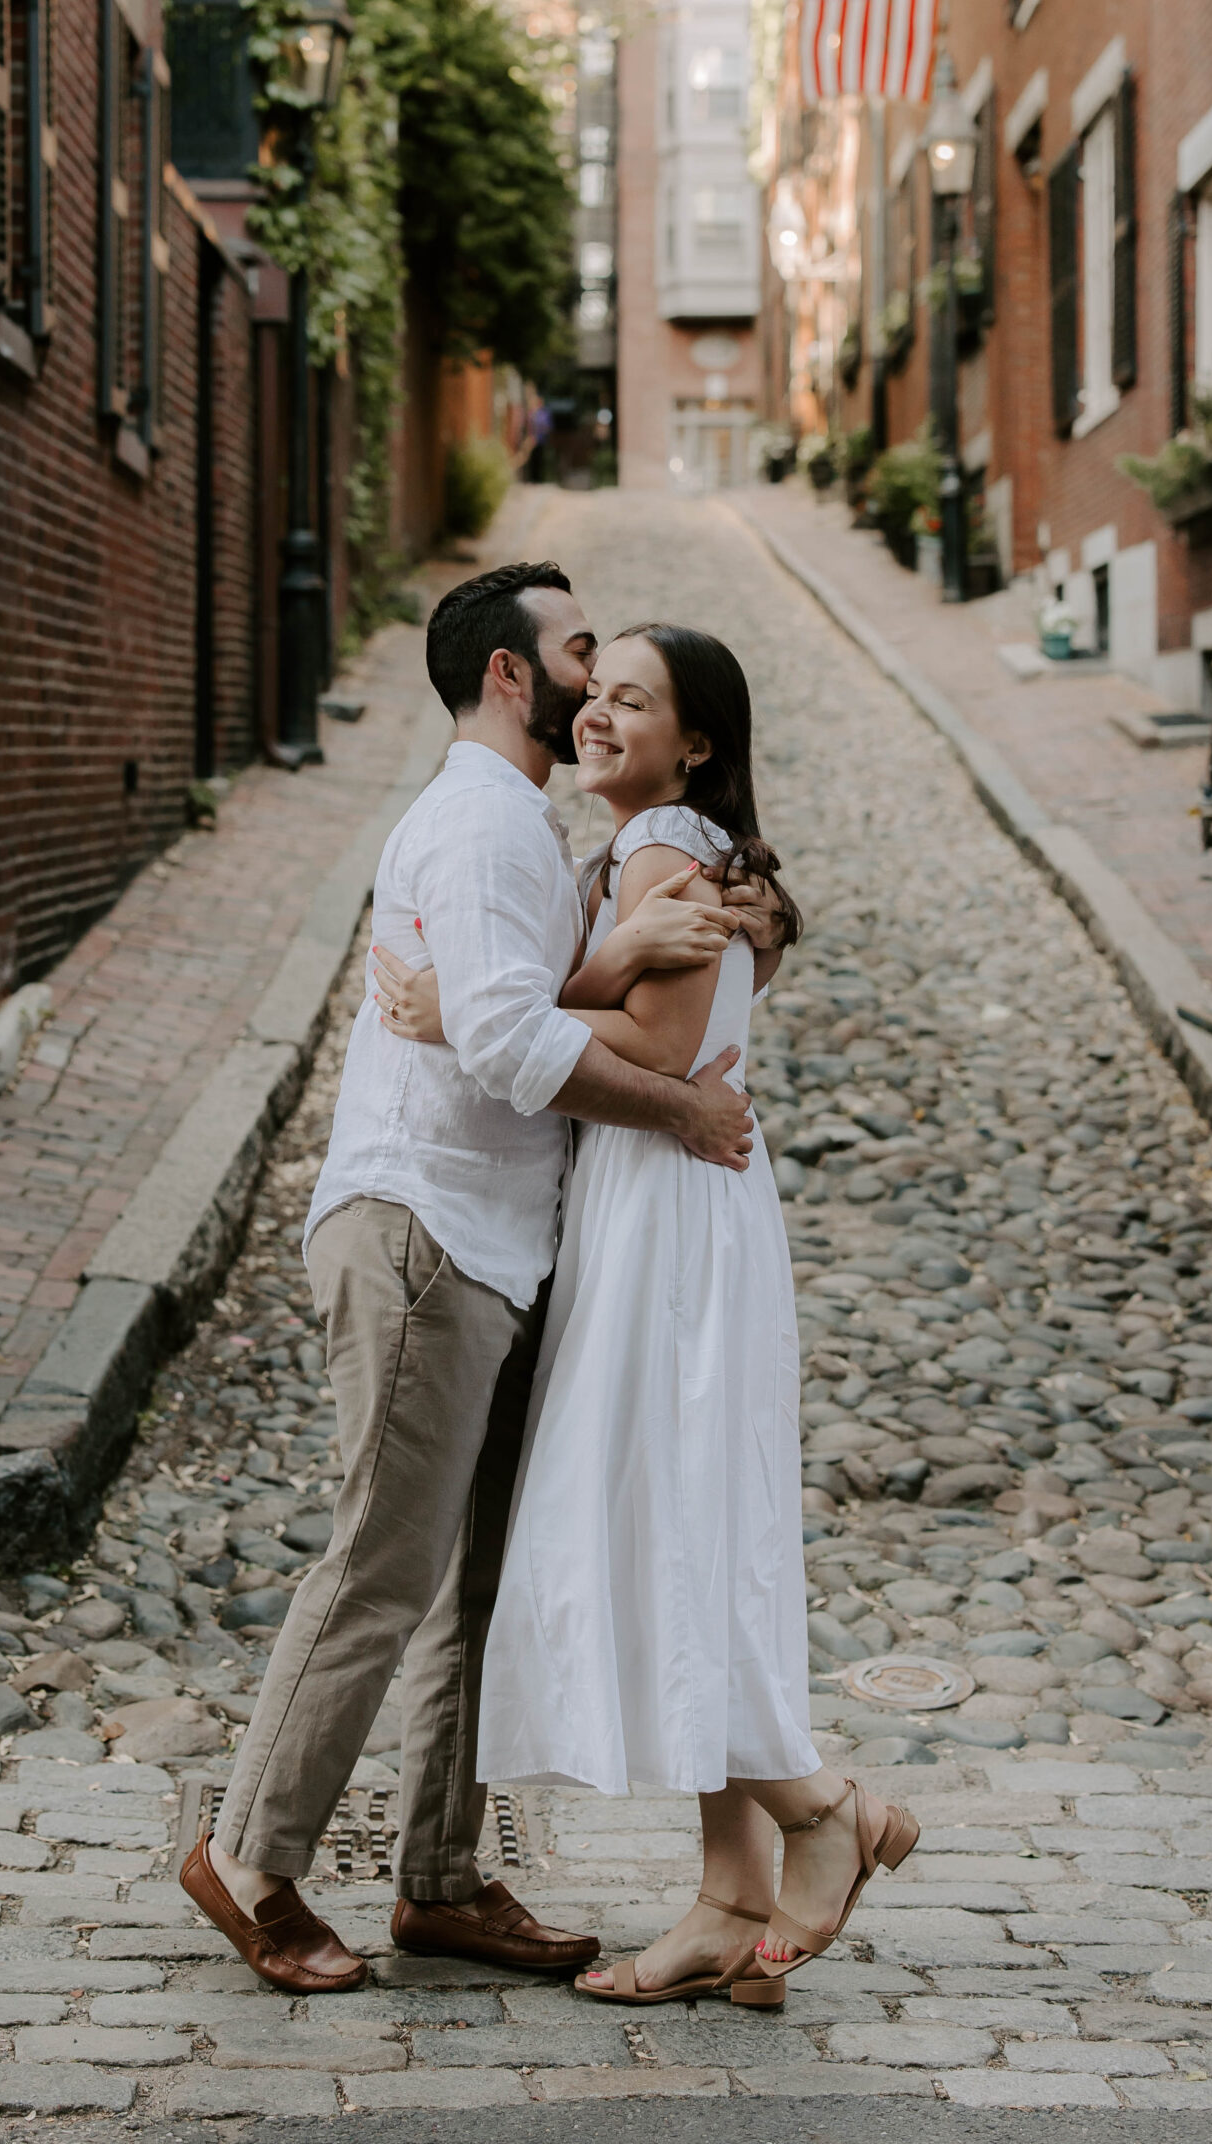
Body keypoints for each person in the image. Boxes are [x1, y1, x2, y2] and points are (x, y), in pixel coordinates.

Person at [178, 564, 782, 1997]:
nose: (598, 677)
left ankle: (441, 1878)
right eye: (583, 652)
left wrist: (612, 950)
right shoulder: (482, 822)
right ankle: (249, 1856)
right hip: (423, 1234)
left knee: (479, 1588)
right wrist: (688, 1112)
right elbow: (509, 1048)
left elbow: (520, 1000)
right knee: (382, 1566)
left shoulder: (529, 836)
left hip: (505, 1247)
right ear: (513, 677)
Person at [376, 622, 919, 2008]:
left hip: (667, 1207)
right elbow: (692, 1008)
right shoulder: (667, 855)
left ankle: (818, 1812)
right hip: (674, 1204)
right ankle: (727, 1905)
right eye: (596, 690)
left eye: (635, 699)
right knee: (692, 1527)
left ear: (698, 743)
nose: (601, 713)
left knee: (664, 1529)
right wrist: (602, 954)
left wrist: (484, 1003)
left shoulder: (659, 847)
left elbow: (667, 1053)